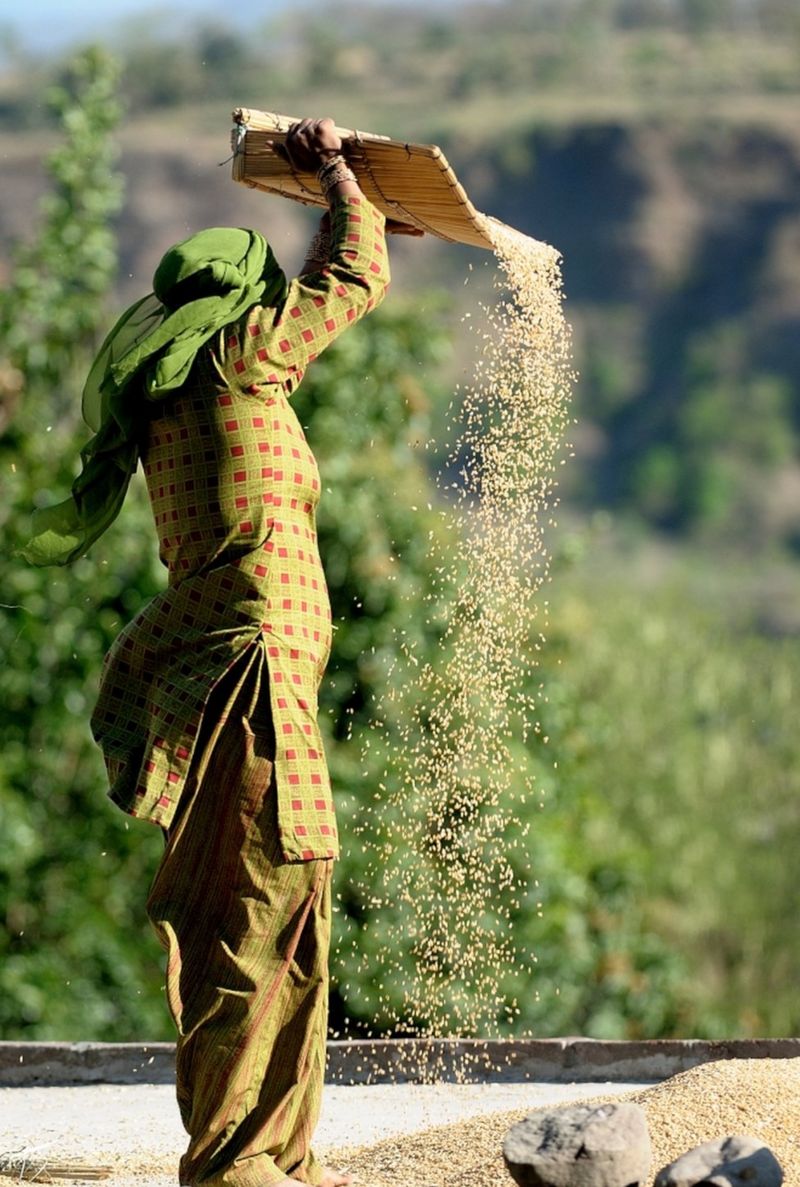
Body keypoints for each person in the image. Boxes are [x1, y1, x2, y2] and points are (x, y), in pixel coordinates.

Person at [22, 117, 418, 1187]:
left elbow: (329, 273)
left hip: (232, 676)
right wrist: (341, 175)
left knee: (276, 911)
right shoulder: (240, 363)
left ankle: (274, 1149)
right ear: (239, 306)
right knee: (260, 909)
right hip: (249, 683)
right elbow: (350, 278)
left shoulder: (173, 390)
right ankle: (241, 1159)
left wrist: (356, 210)